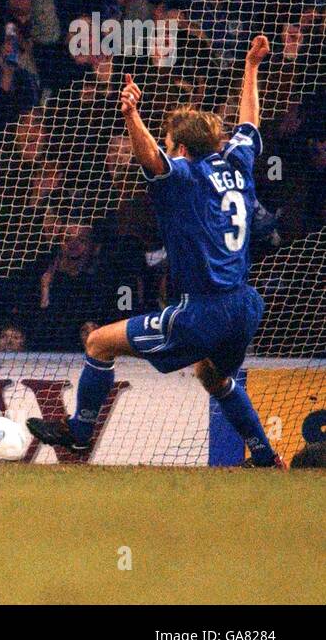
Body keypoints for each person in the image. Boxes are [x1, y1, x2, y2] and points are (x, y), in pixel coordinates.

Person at [28, 36, 283, 468]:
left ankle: (78, 434)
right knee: (212, 374)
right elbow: (250, 124)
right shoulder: (236, 163)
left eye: (169, 141)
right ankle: (264, 458)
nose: (164, 146)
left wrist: (131, 115)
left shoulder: (185, 175)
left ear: (182, 149)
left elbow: (152, 160)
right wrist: (251, 67)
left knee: (98, 343)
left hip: (203, 311)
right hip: (245, 305)